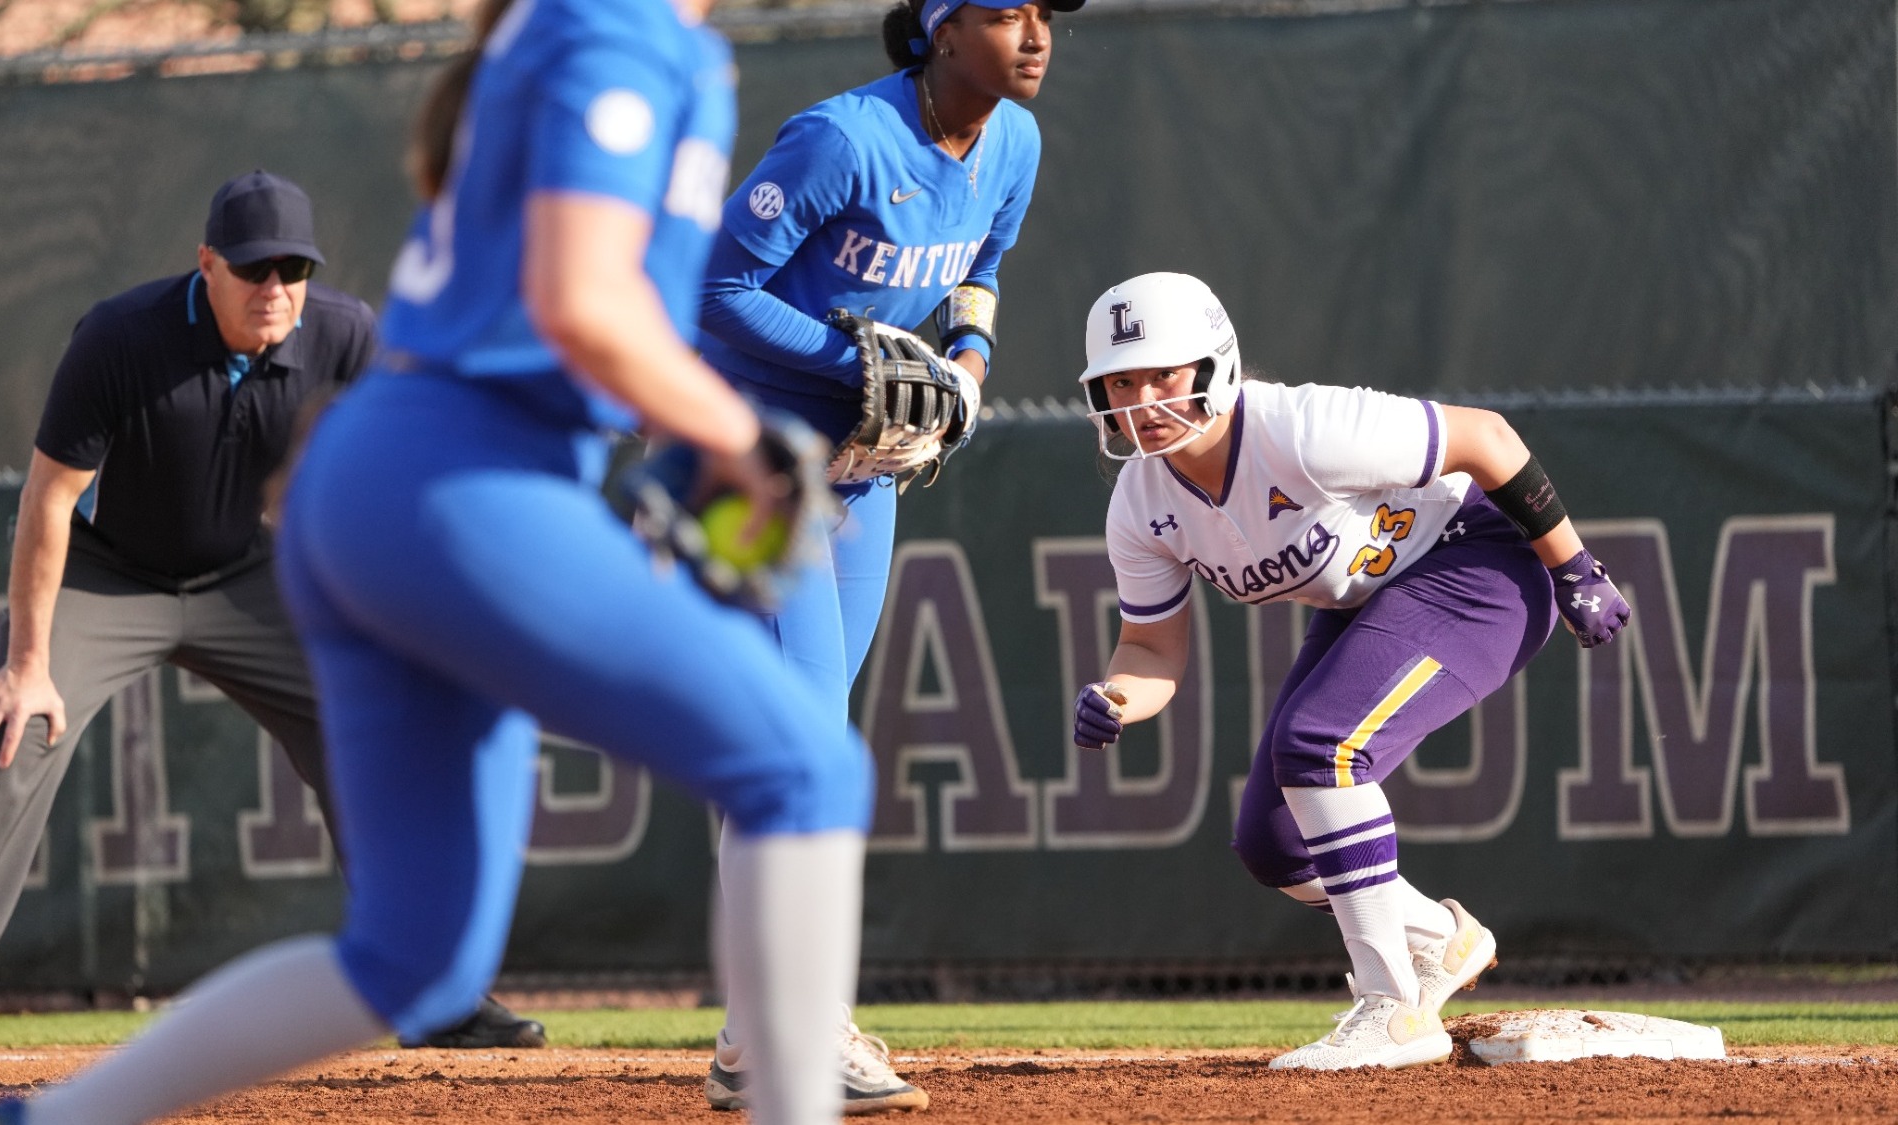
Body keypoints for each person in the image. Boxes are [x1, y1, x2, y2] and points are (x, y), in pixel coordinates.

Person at [0, 0, 872, 1119]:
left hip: (381, 488)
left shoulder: (579, 34)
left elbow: (570, 320)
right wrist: (737, 435)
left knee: (412, 959)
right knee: (805, 767)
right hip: (460, 487)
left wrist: (689, 432)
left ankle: (34, 1120)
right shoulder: (610, 26)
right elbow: (581, 306)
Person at [0, 169, 542, 1055]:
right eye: (253, 267)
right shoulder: (122, 337)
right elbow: (49, 498)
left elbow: (398, 466)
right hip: (108, 571)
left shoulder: (343, 336)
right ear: (208, 264)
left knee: (381, 728)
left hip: (249, 575)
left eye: (293, 267)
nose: (275, 286)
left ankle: (438, 988)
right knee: (17, 728)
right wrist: (27, 663)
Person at [1068, 272, 1632, 1071]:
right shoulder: (1139, 502)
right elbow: (1153, 650)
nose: (1143, 399)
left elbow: (1489, 438)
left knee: (1321, 745)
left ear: (1215, 365)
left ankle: (1393, 1008)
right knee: (1274, 844)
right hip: (1372, 596)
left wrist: (1574, 566)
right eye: (1121, 381)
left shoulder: (1298, 427)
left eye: (1164, 373)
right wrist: (1118, 693)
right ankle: (1442, 941)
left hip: (1480, 561)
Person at [695, 0, 1078, 1110]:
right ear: (941, 29)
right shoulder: (839, 139)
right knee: (801, 743)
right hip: (746, 464)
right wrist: (854, 358)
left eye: (1047, 14)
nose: (1038, 33)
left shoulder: (1015, 139)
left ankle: (748, 1034)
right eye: (1009, 10)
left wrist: (964, 363)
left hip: (861, 476)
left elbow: (981, 274)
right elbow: (714, 293)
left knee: (798, 742)